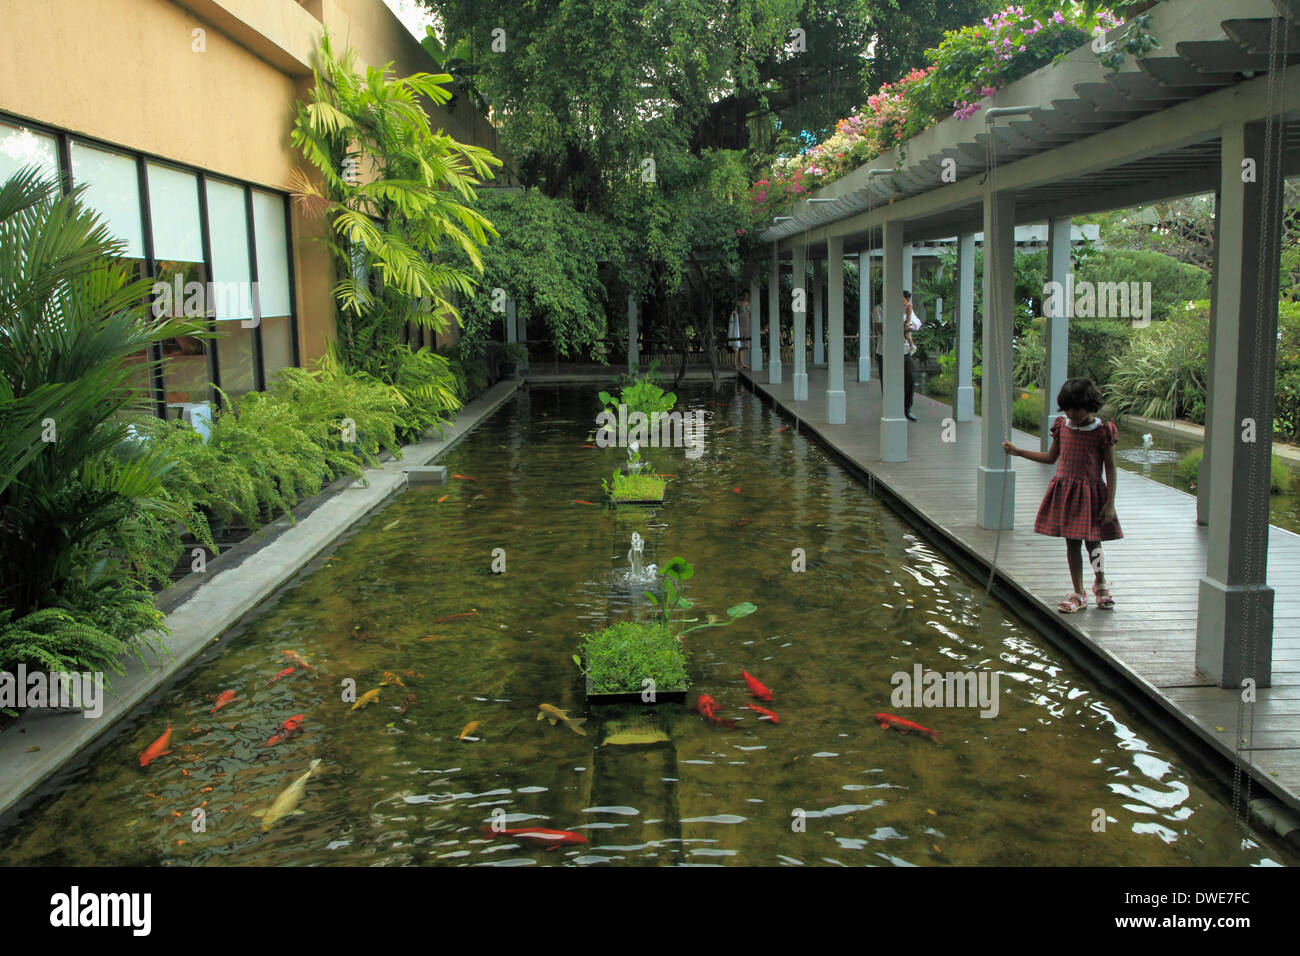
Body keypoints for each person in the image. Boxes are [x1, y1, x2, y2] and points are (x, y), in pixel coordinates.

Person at [1002, 378, 1121, 614]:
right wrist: (1018, 452)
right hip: (1067, 494)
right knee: (1072, 543)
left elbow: (1111, 467)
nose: (1071, 413)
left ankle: (1100, 582)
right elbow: (1050, 458)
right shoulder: (1062, 427)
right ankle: (1078, 592)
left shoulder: (1102, 431)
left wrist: (1110, 503)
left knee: (1093, 543)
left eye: (1076, 408)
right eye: (1067, 408)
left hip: (1091, 494)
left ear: (1090, 405)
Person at [902, 290, 921, 421]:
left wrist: (909, 327)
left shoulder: (908, 309)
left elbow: (917, 323)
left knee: (910, 377)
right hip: (889, 351)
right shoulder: (886, 309)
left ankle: (907, 408)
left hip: (904, 350)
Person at [728, 293, 748, 370]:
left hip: (743, 327)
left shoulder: (747, 306)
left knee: (740, 346)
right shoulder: (734, 314)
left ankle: (740, 362)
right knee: (736, 346)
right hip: (736, 330)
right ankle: (735, 363)